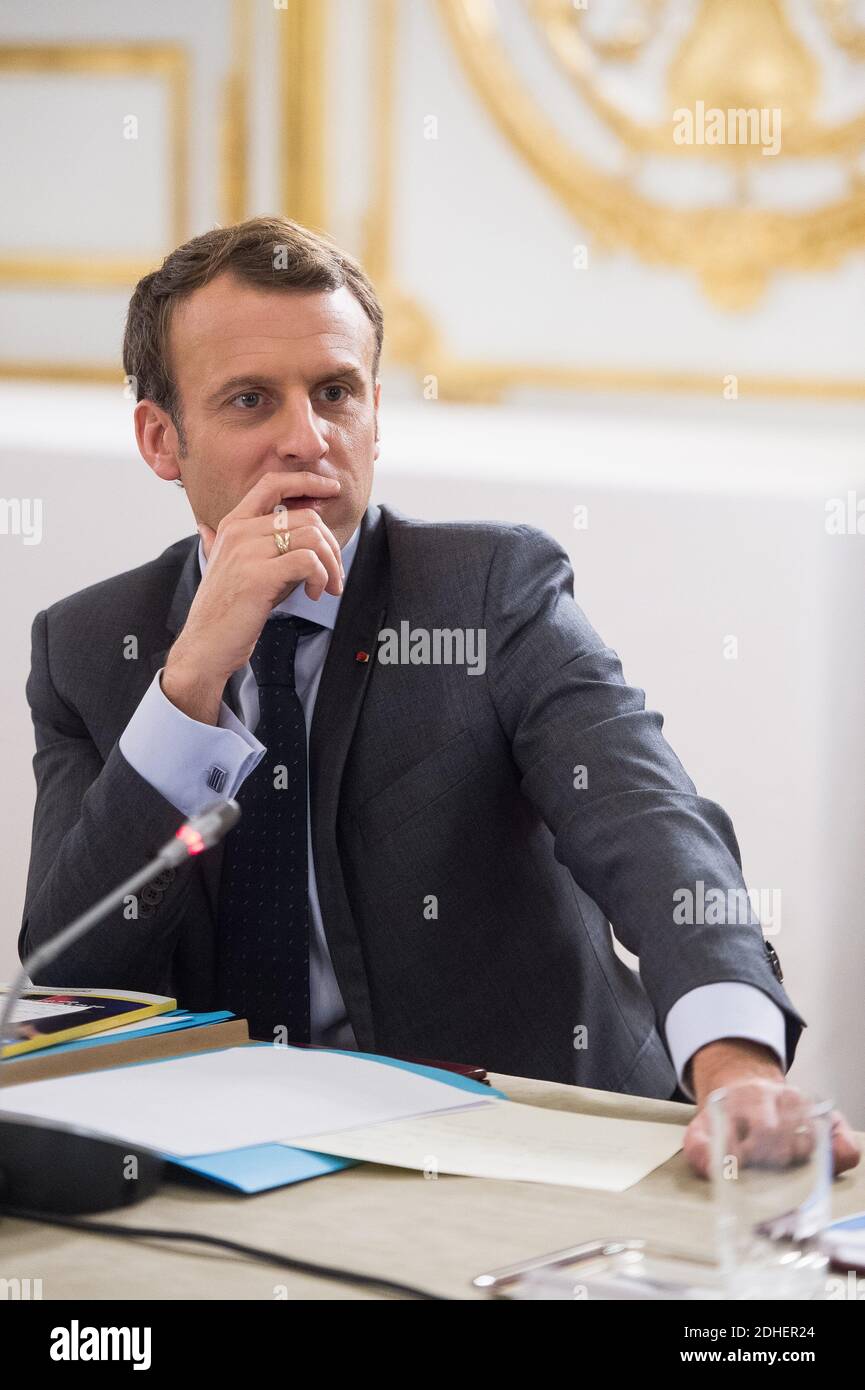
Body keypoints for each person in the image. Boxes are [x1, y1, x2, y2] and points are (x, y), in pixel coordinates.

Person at [20, 216, 859, 1178]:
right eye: (251, 400)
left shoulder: (489, 591)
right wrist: (190, 685)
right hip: (233, 1169)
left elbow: (649, 826)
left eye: (334, 394)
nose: (307, 438)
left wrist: (736, 1065)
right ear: (161, 438)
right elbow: (75, 973)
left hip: (520, 1140)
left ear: (374, 413)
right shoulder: (90, 645)